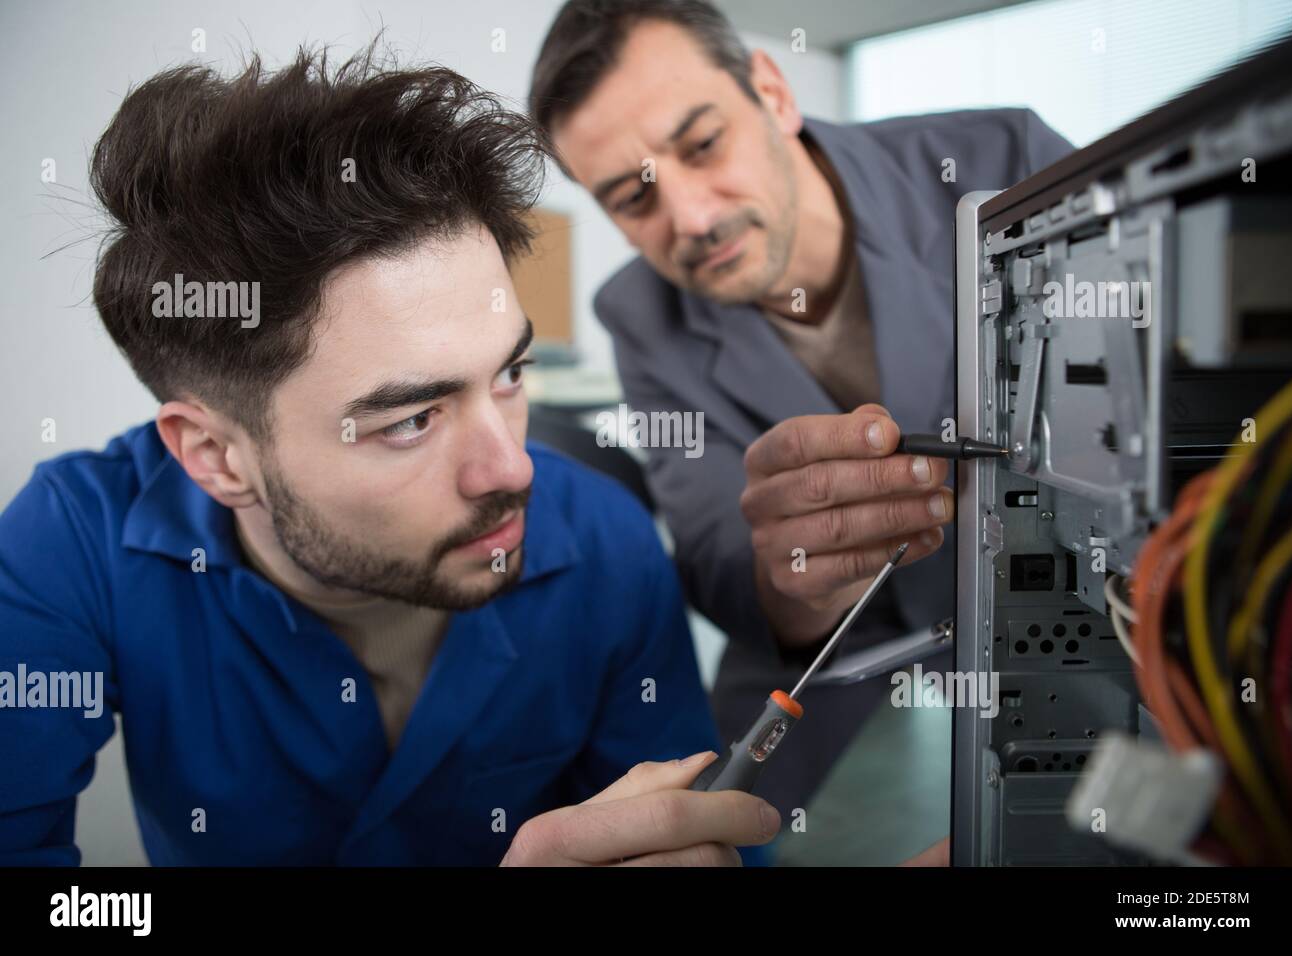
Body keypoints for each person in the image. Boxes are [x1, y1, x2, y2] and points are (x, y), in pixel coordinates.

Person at [0, 44, 778, 866]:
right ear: (215, 456)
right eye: (411, 419)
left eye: (511, 373)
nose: (513, 471)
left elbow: (692, 827)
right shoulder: (74, 543)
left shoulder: (606, 542)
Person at [529, 0, 1075, 815]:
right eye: (632, 199)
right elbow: (719, 555)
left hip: (1072, 608)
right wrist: (798, 570)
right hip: (832, 675)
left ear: (773, 94)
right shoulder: (637, 313)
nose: (694, 218)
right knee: (709, 827)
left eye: (704, 144)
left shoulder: (1003, 160)